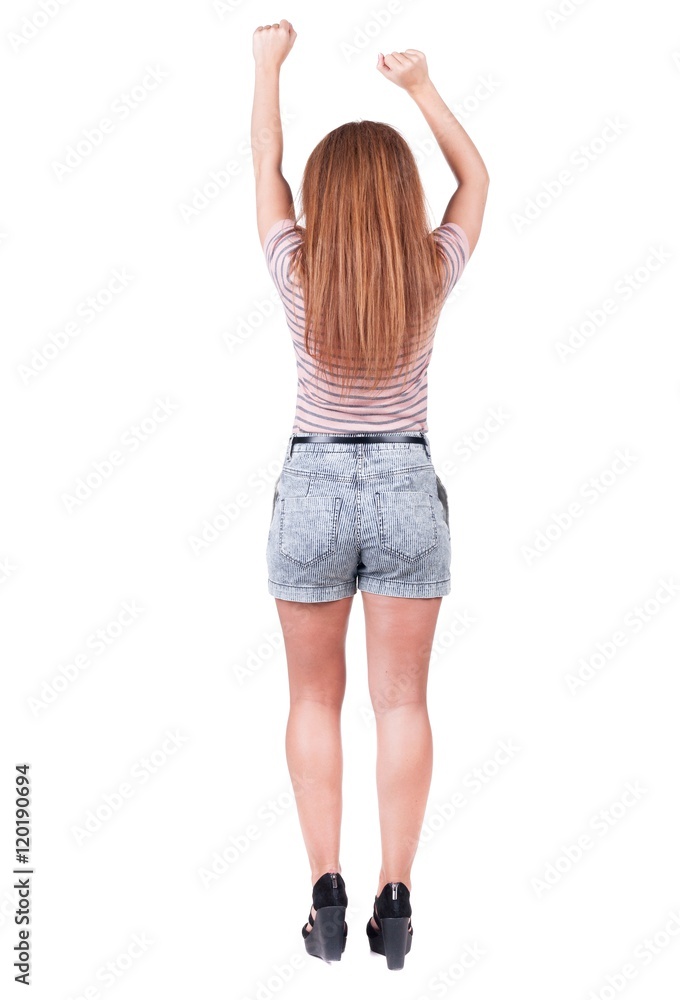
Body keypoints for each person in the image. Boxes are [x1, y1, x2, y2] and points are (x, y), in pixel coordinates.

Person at [251, 20, 489, 970]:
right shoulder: (426, 275)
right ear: (400, 204)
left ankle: (326, 892)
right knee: (402, 705)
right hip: (403, 481)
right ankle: (396, 898)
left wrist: (267, 67)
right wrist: (424, 89)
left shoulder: (298, 273)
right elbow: (475, 181)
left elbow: (265, 159)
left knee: (314, 699)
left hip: (311, 480)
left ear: (322, 203)